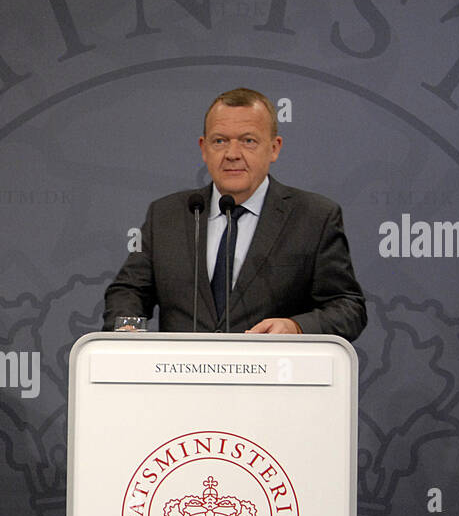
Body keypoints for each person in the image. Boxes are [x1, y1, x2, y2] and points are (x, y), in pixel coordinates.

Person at [103, 87, 365, 339]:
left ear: (274, 147)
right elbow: (129, 291)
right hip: (183, 379)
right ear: (204, 148)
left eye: (248, 141)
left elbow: (347, 307)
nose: (232, 154)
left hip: (272, 378)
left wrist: (296, 327)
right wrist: (127, 330)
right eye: (220, 141)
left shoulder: (314, 217)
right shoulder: (167, 215)